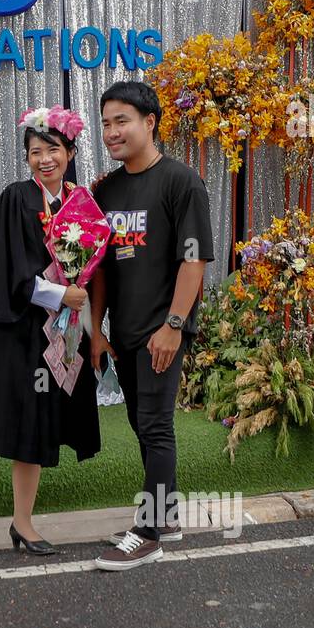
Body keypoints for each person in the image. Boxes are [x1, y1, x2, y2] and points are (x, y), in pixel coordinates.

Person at [0, 106, 100, 555]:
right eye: (34, 152)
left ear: (70, 151)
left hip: (56, 333)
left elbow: (85, 267)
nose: (44, 159)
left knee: (36, 430)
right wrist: (58, 295)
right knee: (1, 421)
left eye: (53, 149)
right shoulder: (16, 199)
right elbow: (6, 271)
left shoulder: (80, 205)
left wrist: (78, 301)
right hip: (12, 330)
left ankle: (22, 525)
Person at [88, 81, 213, 571]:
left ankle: (147, 533)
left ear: (150, 123)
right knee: (142, 424)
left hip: (163, 328)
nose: (112, 132)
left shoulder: (181, 182)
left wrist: (175, 325)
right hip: (125, 332)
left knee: (157, 426)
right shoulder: (106, 189)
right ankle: (167, 517)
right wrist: (97, 330)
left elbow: (194, 259)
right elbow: (98, 267)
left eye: (122, 121)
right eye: (106, 123)